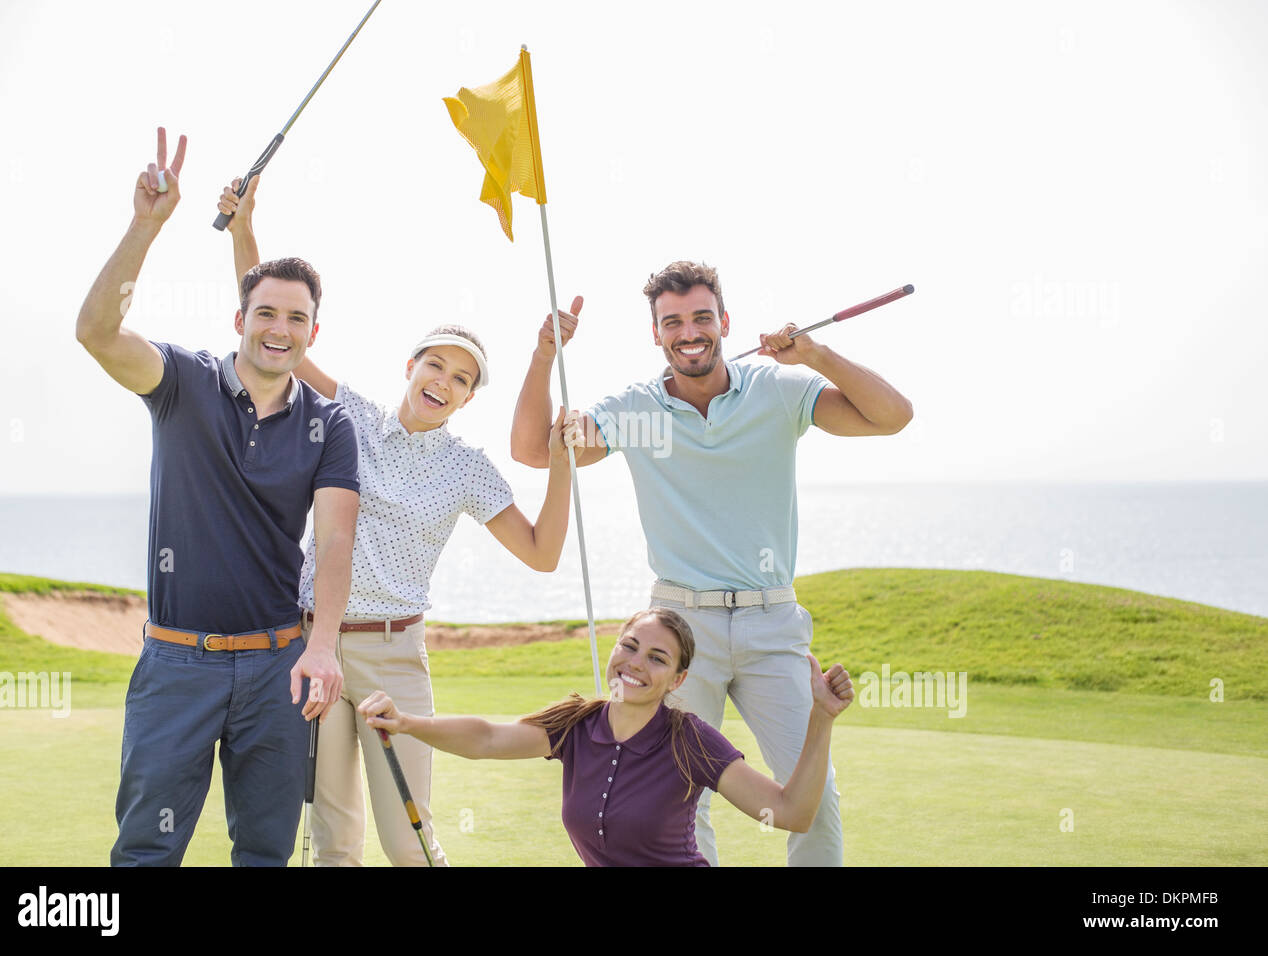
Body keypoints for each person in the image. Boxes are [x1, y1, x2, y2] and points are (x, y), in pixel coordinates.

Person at [216, 175, 579, 866]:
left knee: (408, 836)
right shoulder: (349, 414)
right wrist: (243, 233)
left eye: (461, 378)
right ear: (410, 367)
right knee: (333, 837)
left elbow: (542, 554)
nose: (442, 381)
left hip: (395, 659)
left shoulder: (469, 469)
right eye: (435, 365)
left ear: (468, 398)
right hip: (314, 647)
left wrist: (561, 462)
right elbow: (280, 335)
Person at [510, 260, 913, 866]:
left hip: (772, 623)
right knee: (678, 801)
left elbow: (894, 416)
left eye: (702, 317)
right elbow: (533, 450)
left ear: (724, 321)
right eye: (672, 322)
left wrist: (815, 355)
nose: (689, 331)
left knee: (815, 797)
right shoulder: (636, 410)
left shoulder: (777, 391)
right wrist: (546, 354)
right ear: (656, 334)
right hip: (676, 628)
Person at [78, 128, 360, 866]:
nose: (280, 328)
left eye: (296, 318)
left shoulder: (329, 424)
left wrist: (323, 645)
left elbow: (334, 541)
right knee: (146, 851)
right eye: (266, 313)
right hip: (178, 665)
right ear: (241, 320)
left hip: (277, 668)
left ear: (312, 331)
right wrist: (146, 225)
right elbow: (97, 332)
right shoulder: (181, 383)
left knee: (265, 853)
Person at [358, 607, 855, 866]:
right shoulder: (577, 725)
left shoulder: (690, 741)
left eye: (657, 658)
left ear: (677, 680)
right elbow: (489, 738)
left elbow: (792, 812)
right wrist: (407, 723)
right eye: (630, 646)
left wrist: (822, 719)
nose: (636, 664)